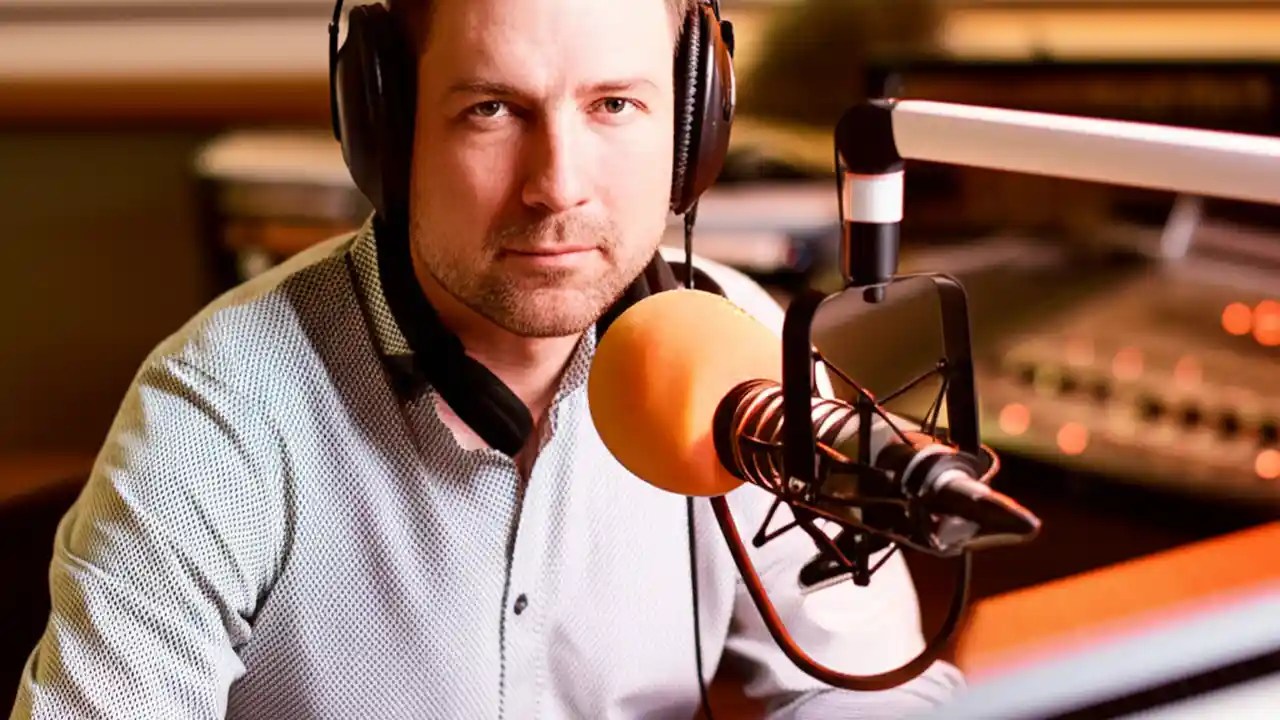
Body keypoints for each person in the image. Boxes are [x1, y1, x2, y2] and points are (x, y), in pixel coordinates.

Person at [11, 0, 964, 718]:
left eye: (616, 104)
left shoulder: (740, 352)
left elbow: (878, 695)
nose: (558, 186)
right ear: (386, 126)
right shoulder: (221, 410)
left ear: (692, 126)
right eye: (494, 109)